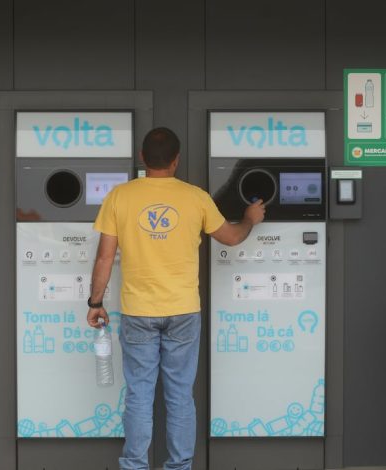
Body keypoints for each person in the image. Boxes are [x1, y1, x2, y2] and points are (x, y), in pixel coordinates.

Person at [86, 127, 264, 470]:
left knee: (139, 395)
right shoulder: (194, 197)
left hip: (138, 312)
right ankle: (180, 467)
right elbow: (230, 237)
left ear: (142, 159)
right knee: (180, 396)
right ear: (176, 160)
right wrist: (249, 219)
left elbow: (105, 257)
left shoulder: (120, 197)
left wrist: (95, 303)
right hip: (183, 311)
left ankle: (135, 465)